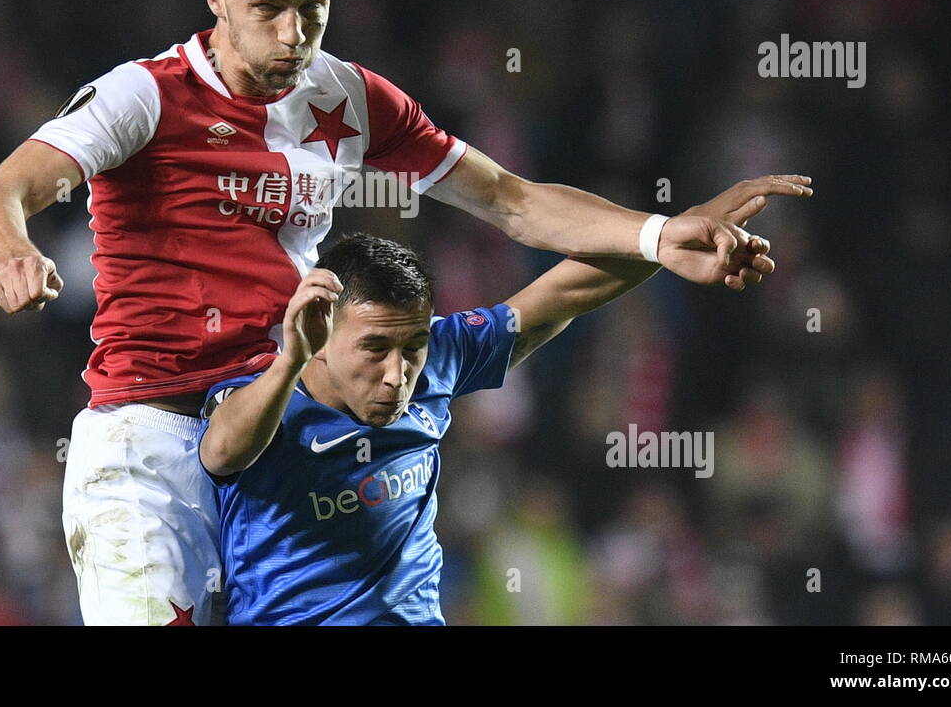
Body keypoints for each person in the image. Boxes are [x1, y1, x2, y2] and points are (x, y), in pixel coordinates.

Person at [0, 0, 811, 625]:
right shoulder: (143, 96)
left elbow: (512, 201)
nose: (294, 35)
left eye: (314, 9)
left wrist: (662, 235)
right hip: (155, 434)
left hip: (282, 438)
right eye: (270, 9)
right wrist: (16, 258)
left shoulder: (350, 98)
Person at [198, 179, 808, 625]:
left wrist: (664, 238)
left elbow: (559, 294)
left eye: (410, 346)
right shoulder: (263, 398)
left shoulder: (437, 358)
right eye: (374, 348)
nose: (396, 375)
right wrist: (289, 361)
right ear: (322, 332)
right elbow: (222, 452)